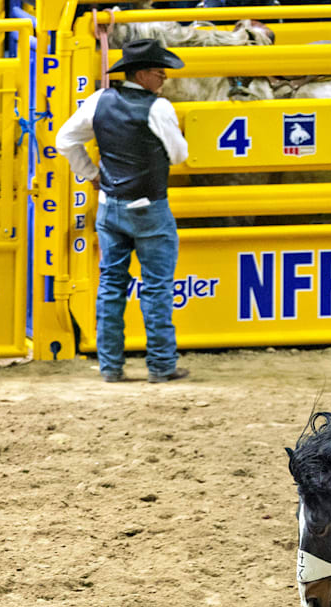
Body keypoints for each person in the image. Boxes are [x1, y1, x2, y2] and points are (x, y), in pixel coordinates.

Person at [56, 39, 192, 383]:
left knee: (111, 286)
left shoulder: (99, 100)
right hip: (149, 208)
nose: (163, 78)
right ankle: (161, 365)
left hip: (109, 207)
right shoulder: (159, 108)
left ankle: (110, 366)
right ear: (143, 74)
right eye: (159, 72)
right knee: (157, 287)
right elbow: (178, 156)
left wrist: (91, 174)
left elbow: (65, 140)